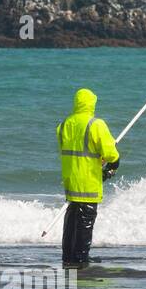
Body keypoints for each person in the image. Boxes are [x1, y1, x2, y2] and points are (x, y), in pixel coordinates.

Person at [56, 88, 120, 270]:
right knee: (85, 223)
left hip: (71, 181)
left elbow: (77, 151)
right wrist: (113, 164)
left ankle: (68, 257)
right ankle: (81, 260)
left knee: (71, 221)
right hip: (88, 182)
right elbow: (110, 153)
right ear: (91, 104)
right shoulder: (95, 124)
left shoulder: (64, 124)